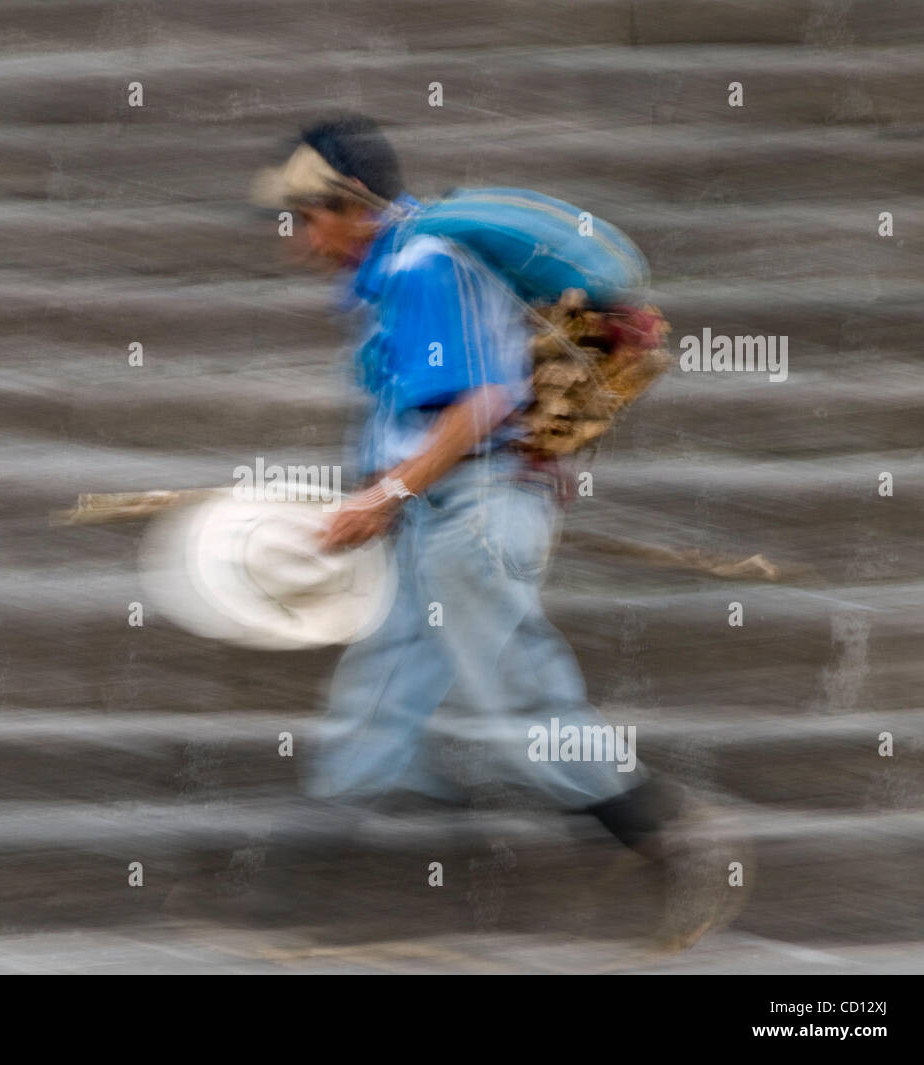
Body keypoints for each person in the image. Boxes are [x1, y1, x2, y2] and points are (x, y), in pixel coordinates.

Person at [249, 114, 722, 948]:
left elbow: (482, 404)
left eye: (307, 218)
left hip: (475, 514)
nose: (300, 241)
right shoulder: (396, 272)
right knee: (383, 687)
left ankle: (670, 840)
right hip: (441, 511)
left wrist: (382, 495)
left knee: (516, 695)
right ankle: (291, 898)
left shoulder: (425, 263)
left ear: (351, 205)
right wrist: (379, 496)